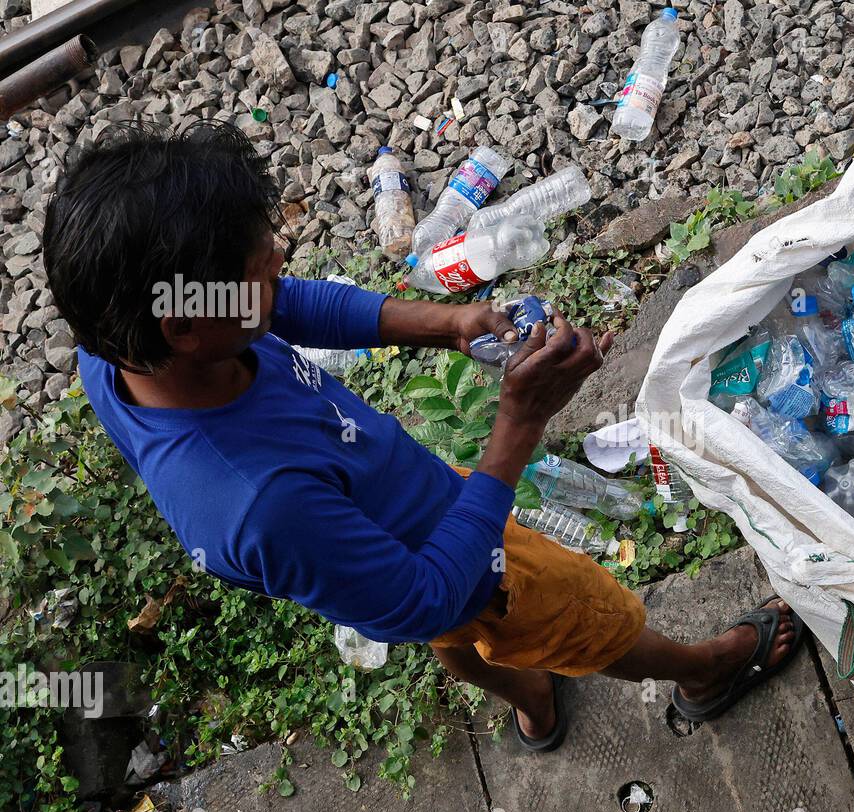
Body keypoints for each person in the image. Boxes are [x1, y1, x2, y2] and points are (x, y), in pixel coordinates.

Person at [42, 121, 803, 752]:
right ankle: (703, 671)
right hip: (461, 562)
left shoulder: (116, 346)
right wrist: (518, 426)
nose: (282, 265)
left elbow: (291, 307)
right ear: (188, 322)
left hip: (375, 534)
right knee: (583, 612)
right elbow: (424, 598)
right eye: (262, 270)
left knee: (459, 647)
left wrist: (449, 323)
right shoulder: (262, 504)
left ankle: (533, 699)